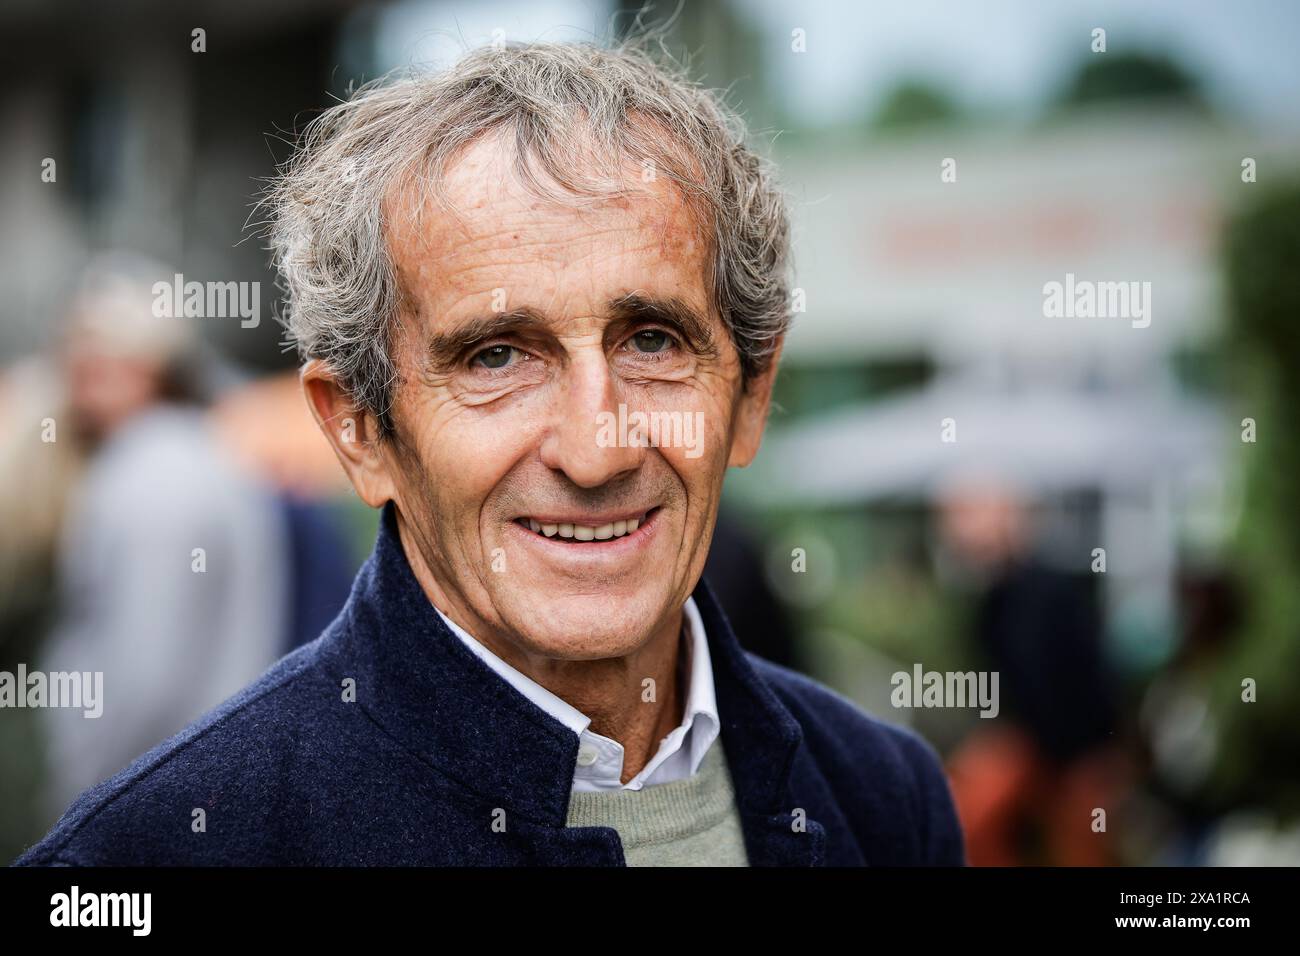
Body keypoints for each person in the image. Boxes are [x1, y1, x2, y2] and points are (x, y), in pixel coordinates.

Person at [16, 44, 964, 866]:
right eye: (497, 356)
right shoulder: (157, 856)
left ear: (750, 396)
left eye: (652, 342)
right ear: (360, 430)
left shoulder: (885, 797)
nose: (597, 450)